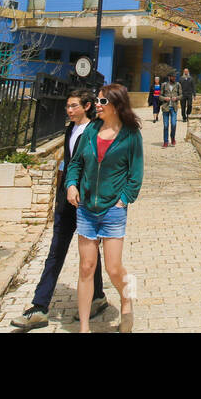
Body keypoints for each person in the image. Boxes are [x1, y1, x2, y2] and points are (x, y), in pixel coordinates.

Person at [12, 89, 109, 329]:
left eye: (73, 106)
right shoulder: (70, 130)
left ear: (86, 106)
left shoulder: (97, 131)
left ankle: (96, 297)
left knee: (90, 253)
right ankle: (40, 305)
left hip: (88, 200)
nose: (68, 110)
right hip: (67, 197)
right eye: (68, 105)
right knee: (56, 249)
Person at [67, 83, 143, 333]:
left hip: (113, 209)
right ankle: (85, 327)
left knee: (112, 267)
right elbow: (76, 163)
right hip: (87, 208)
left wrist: (123, 199)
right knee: (86, 267)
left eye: (102, 102)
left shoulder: (131, 135)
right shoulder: (90, 131)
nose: (97, 105)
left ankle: (126, 297)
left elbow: (136, 174)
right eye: (97, 101)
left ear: (116, 105)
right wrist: (71, 185)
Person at [162, 77, 181, 147]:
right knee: (166, 126)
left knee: (173, 124)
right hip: (165, 108)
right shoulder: (164, 85)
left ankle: (172, 137)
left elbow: (181, 95)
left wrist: (176, 98)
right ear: (169, 77)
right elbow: (160, 96)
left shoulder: (178, 85)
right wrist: (164, 98)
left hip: (174, 108)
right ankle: (165, 141)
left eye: (174, 77)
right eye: (172, 77)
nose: (174, 78)